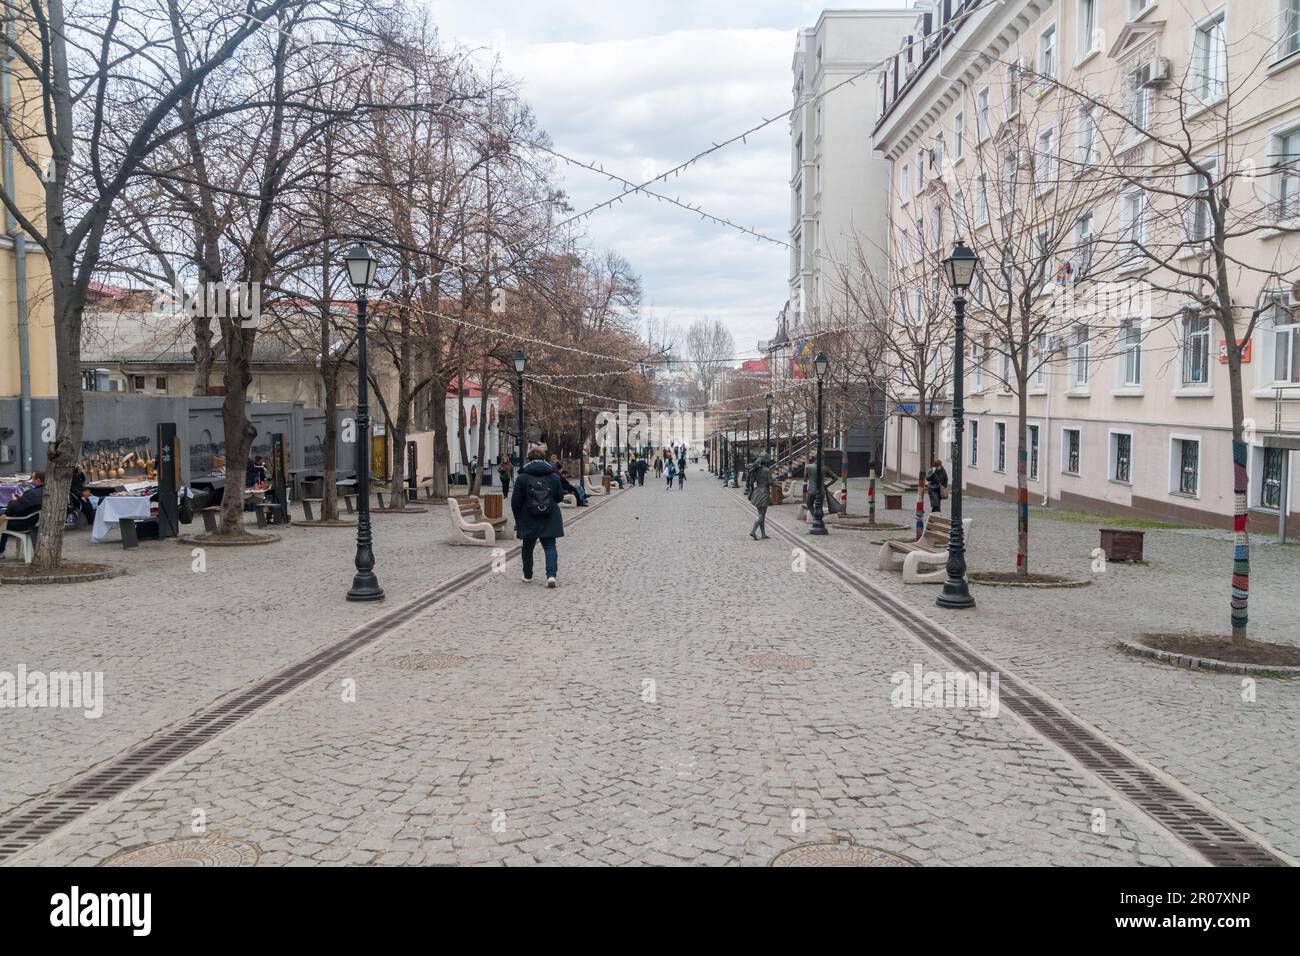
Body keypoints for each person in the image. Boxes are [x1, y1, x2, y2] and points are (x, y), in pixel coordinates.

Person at [511, 446, 565, 588]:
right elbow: (559, 496)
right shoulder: (553, 476)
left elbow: (515, 501)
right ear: (543, 459)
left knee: (528, 546)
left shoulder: (522, 477)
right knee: (549, 546)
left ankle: (528, 575)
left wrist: (518, 518)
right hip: (550, 516)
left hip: (528, 516)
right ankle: (551, 576)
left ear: (529, 460)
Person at [0, 469, 43, 556]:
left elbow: (13, 509)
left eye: (32, 478)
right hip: (34, 521)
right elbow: (26, 504)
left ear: (38, 481)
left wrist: (13, 500)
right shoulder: (45, 491)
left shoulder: (32, 493)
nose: (31, 480)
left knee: (3, 517)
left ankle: (0, 550)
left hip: (25, 523)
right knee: (4, 514)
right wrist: (21, 499)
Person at [747, 455, 773, 539]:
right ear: (766, 461)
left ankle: (763, 534)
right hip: (764, 492)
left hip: (757, 491)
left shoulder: (756, 470)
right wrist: (774, 482)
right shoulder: (767, 470)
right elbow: (770, 482)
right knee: (762, 515)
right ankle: (753, 531)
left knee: (761, 514)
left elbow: (751, 482)